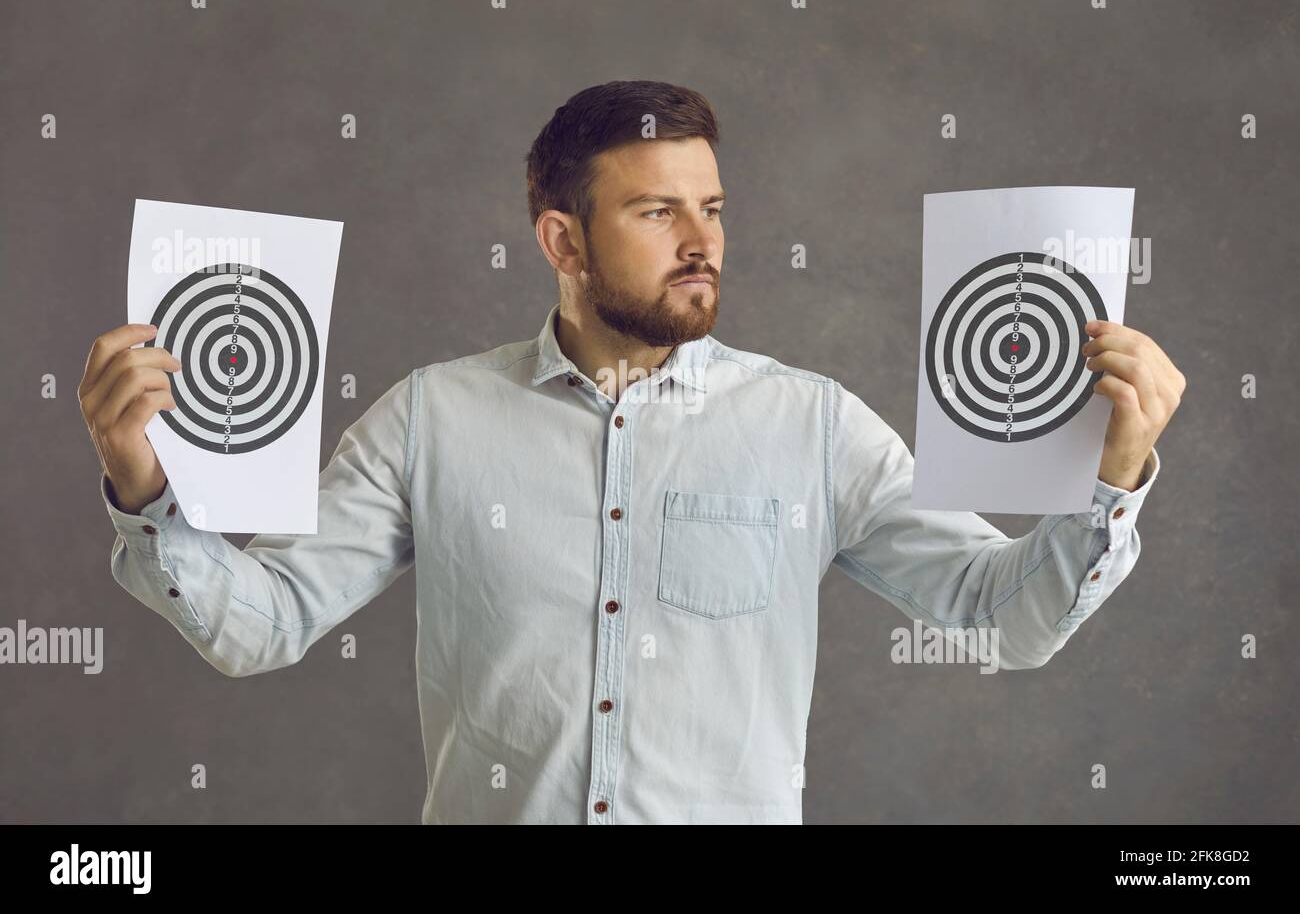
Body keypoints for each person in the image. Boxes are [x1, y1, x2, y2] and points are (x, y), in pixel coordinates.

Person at [79, 80, 1185, 824]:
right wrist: (143, 478)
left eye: (711, 208)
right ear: (562, 238)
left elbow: (1004, 619)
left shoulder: (813, 427)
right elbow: (264, 624)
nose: (702, 243)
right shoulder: (431, 420)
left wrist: (1113, 477)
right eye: (658, 212)